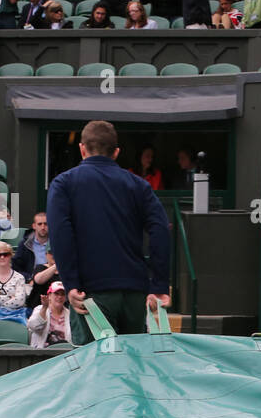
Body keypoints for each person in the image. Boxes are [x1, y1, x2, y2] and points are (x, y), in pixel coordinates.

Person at [47, 120, 171, 345]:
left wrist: (71, 283)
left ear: (82, 148)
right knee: (132, 368)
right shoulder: (139, 185)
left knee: (93, 371)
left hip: (90, 294)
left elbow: (60, 235)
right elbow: (161, 229)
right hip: (133, 293)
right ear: (116, 152)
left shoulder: (64, 183)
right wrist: (159, 285)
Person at [27, 280, 72, 347]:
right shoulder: (39, 309)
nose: (60, 297)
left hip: (64, 351)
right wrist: (44, 308)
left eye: (62, 294)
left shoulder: (69, 313)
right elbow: (33, 327)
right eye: (56, 293)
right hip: (43, 352)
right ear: (49, 296)